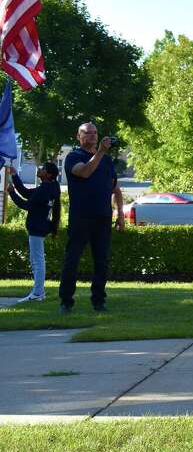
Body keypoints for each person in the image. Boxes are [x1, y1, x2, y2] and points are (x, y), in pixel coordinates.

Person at [60, 122, 125, 314]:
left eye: (95, 133)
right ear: (78, 136)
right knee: (72, 259)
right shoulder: (74, 157)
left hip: (103, 217)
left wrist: (120, 214)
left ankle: (99, 301)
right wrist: (101, 152)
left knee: (102, 261)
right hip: (81, 216)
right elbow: (85, 172)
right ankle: (66, 302)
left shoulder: (106, 160)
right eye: (87, 133)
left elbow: (115, 189)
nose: (92, 136)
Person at [5, 162, 61, 302]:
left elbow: (26, 205)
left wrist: (11, 192)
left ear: (48, 174)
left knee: (37, 261)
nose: (40, 169)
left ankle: (37, 293)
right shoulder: (50, 187)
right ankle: (38, 291)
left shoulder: (44, 190)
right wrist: (14, 175)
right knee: (36, 260)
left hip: (37, 227)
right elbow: (26, 192)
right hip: (42, 226)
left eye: (43, 169)